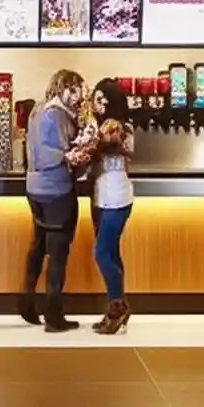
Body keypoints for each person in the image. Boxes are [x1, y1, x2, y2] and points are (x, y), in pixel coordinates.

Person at [21, 69, 91, 333]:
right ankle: (53, 314)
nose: (78, 97)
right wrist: (75, 156)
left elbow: (34, 155)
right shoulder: (58, 115)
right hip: (57, 190)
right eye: (74, 90)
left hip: (34, 190)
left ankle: (26, 302)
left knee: (38, 245)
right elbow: (55, 154)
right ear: (62, 87)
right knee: (58, 253)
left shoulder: (37, 111)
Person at [87, 78, 135, 335]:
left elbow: (124, 150)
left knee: (101, 253)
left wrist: (98, 143)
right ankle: (117, 309)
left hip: (117, 198)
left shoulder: (123, 128)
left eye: (103, 98)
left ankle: (118, 307)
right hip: (102, 196)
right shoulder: (96, 125)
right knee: (112, 253)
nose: (99, 103)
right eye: (97, 98)